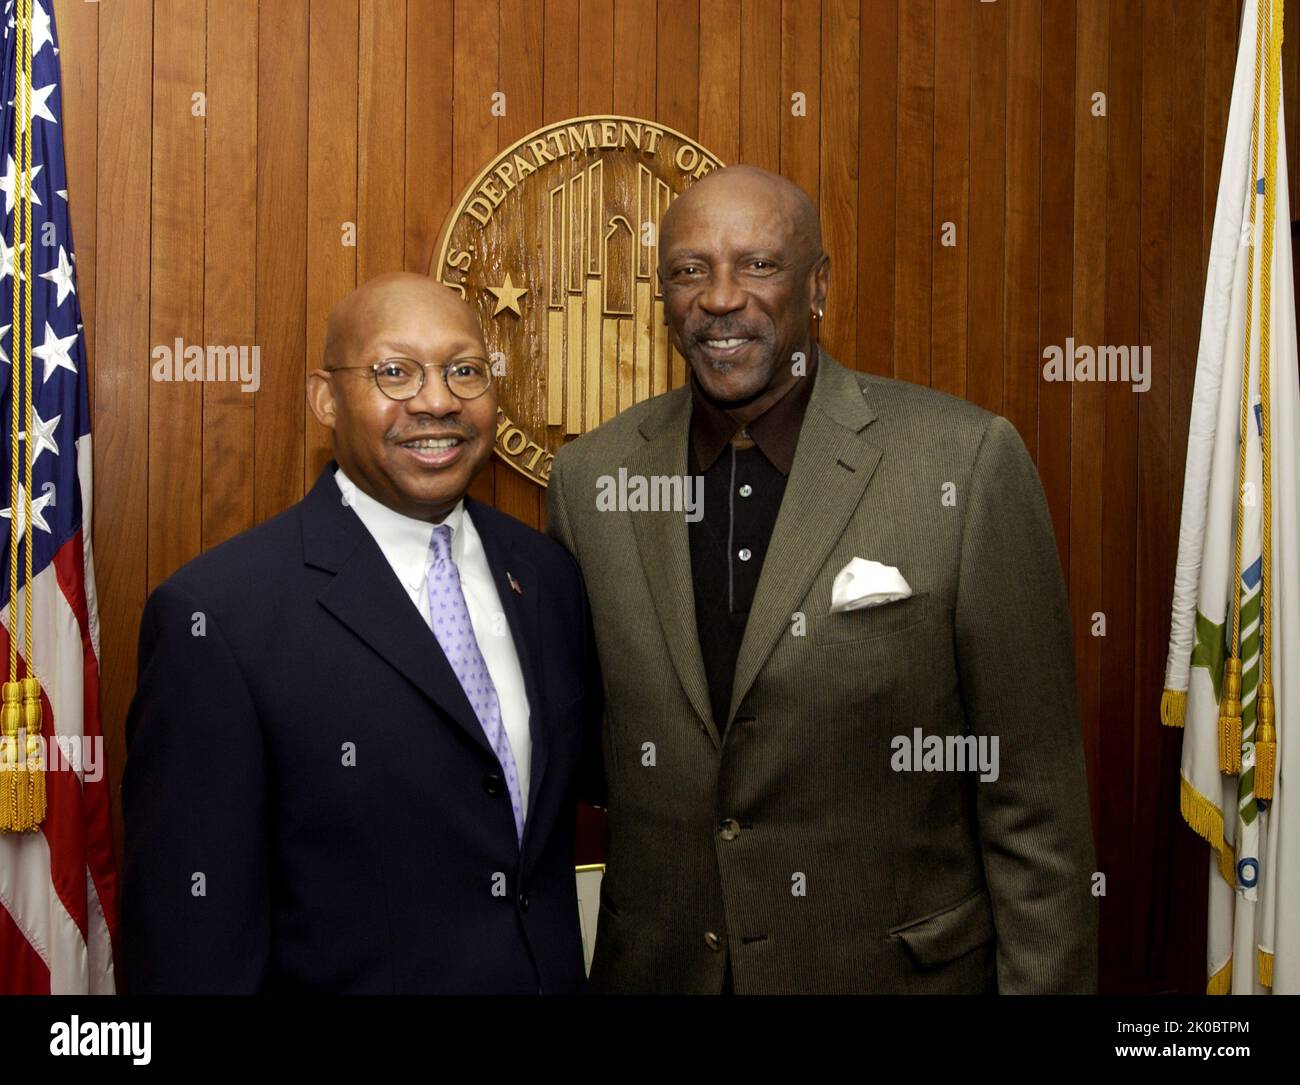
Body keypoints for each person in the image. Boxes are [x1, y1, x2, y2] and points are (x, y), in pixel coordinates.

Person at [546, 165, 1098, 994]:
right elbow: (593, 756)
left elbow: (1033, 801)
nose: (721, 297)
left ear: (820, 287)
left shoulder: (964, 461)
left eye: (759, 265)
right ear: (663, 296)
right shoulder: (590, 481)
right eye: (690, 270)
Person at [122, 273, 600, 993]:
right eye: (394, 372)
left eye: (463, 371)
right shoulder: (219, 618)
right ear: (325, 398)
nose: (437, 401)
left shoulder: (547, 578)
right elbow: (191, 945)